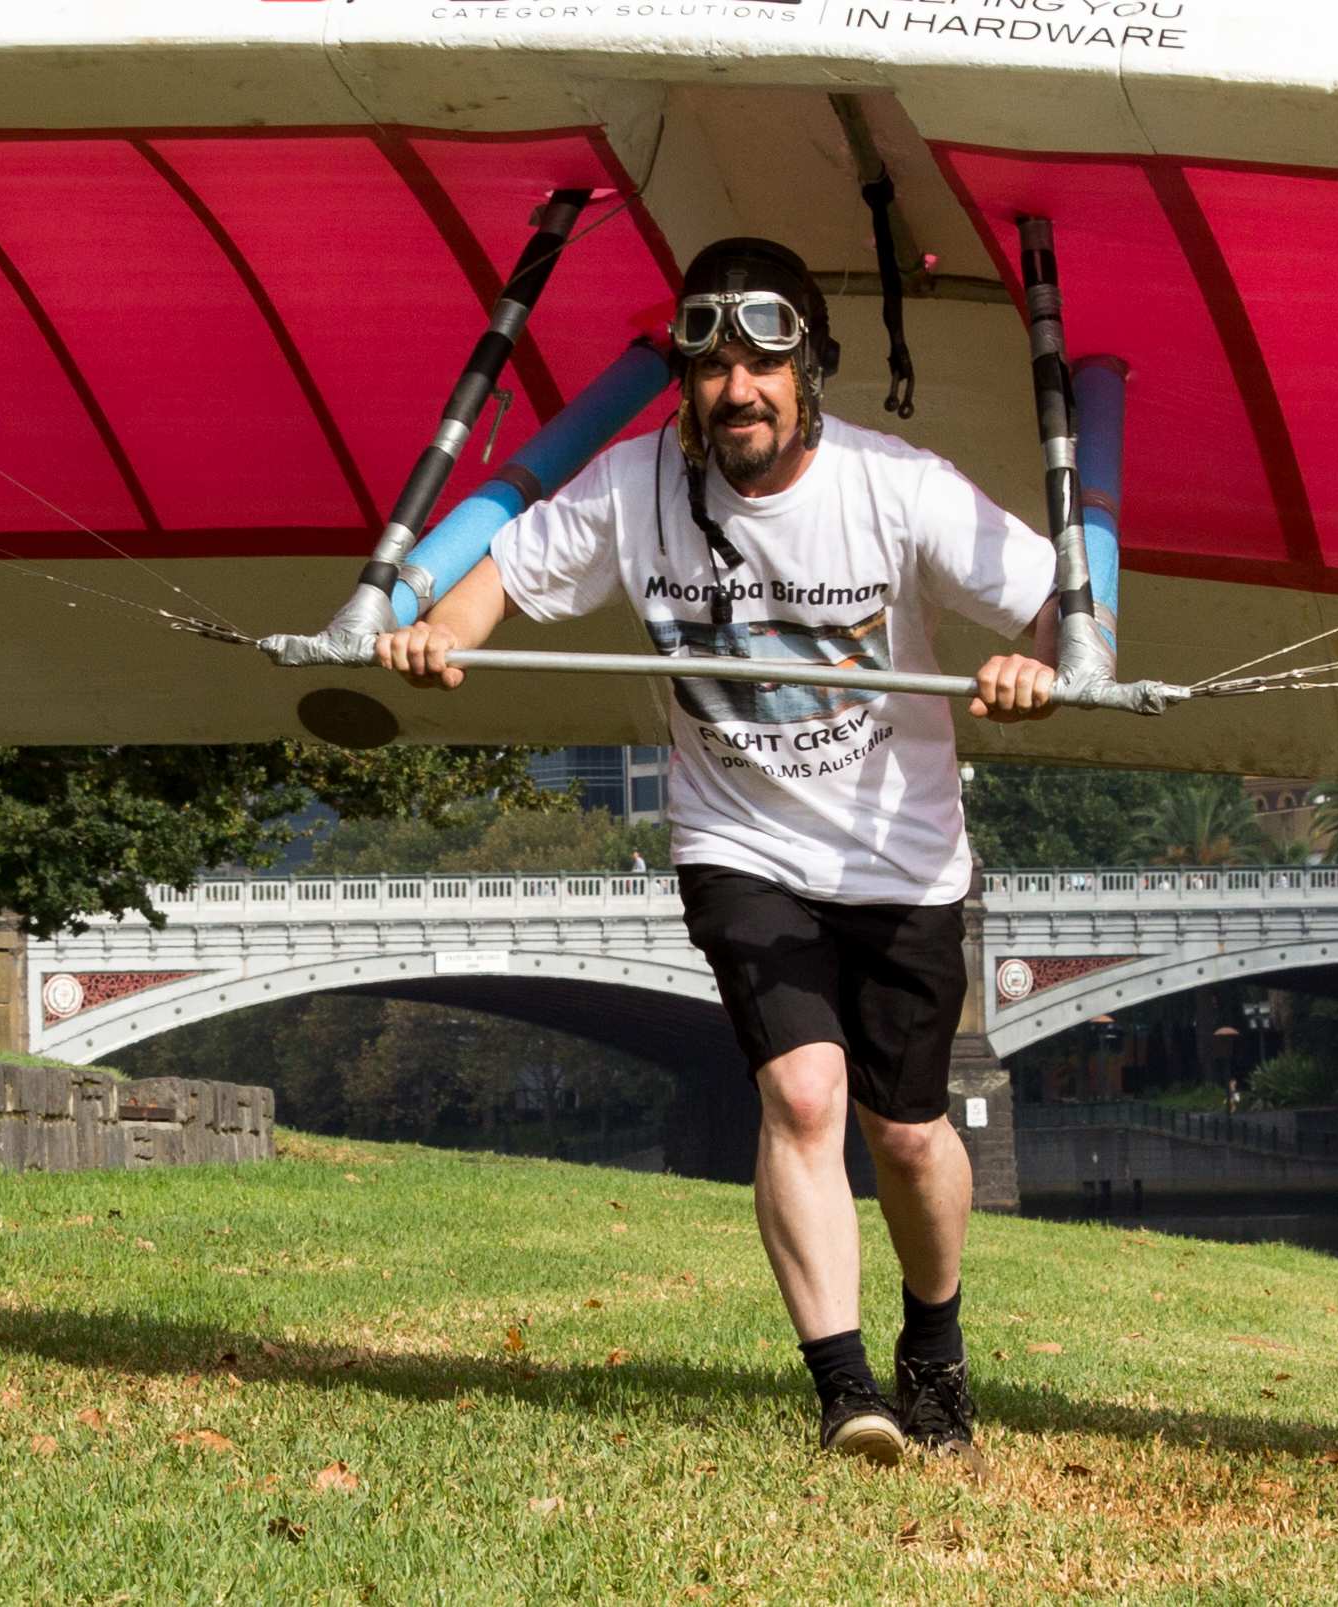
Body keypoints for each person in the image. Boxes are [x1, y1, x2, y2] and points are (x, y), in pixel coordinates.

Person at [374, 238, 1060, 1466]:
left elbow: (1056, 605)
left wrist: (1037, 665)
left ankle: (935, 1350)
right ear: (683, 383)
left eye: (763, 362)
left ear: (812, 371)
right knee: (803, 1091)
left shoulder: (897, 487)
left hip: (901, 856)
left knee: (906, 1133)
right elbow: (501, 579)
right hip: (737, 836)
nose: (736, 388)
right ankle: (845, 1389)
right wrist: (439, 631)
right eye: (710, 366)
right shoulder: (634, 486)